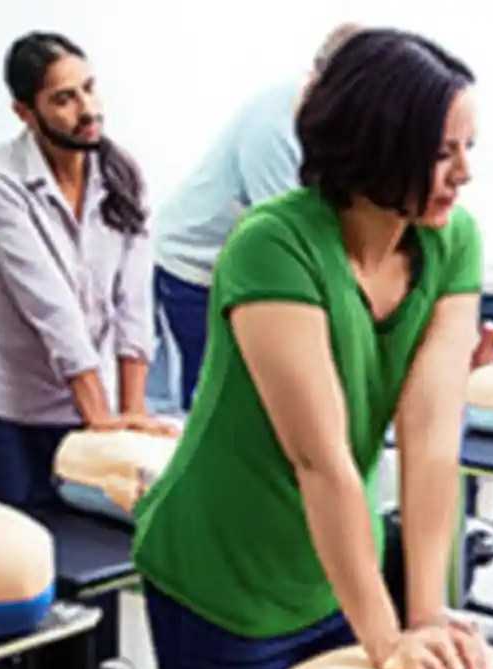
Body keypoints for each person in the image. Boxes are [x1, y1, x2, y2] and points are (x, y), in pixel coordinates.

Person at [131, 29, 493, 669]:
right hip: (224, 569)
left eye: (469, 148)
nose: (464, 173)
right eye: (442, 152)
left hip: (335, 570)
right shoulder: (274, 242)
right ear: (377, 145)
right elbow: (319, 456)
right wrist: (386, 639)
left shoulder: (454, 241)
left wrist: (423, 612)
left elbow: (432, 440)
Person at [0, 32, 174, 510]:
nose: (88, 109)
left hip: (93, 404)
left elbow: (133, 301)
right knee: (29, 562)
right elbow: (51, 306)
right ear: (25, 113)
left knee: (100, 555)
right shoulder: (1, 186)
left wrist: (130, 410)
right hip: (14, 411)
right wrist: (98, 417)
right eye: (65, 98)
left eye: (90, 89)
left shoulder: (121, 175)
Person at [147, 23, 361, 411]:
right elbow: (291, 241)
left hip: (248, 264)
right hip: (196, 267)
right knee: (212, 398)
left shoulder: (338, 123)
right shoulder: (275, 127)